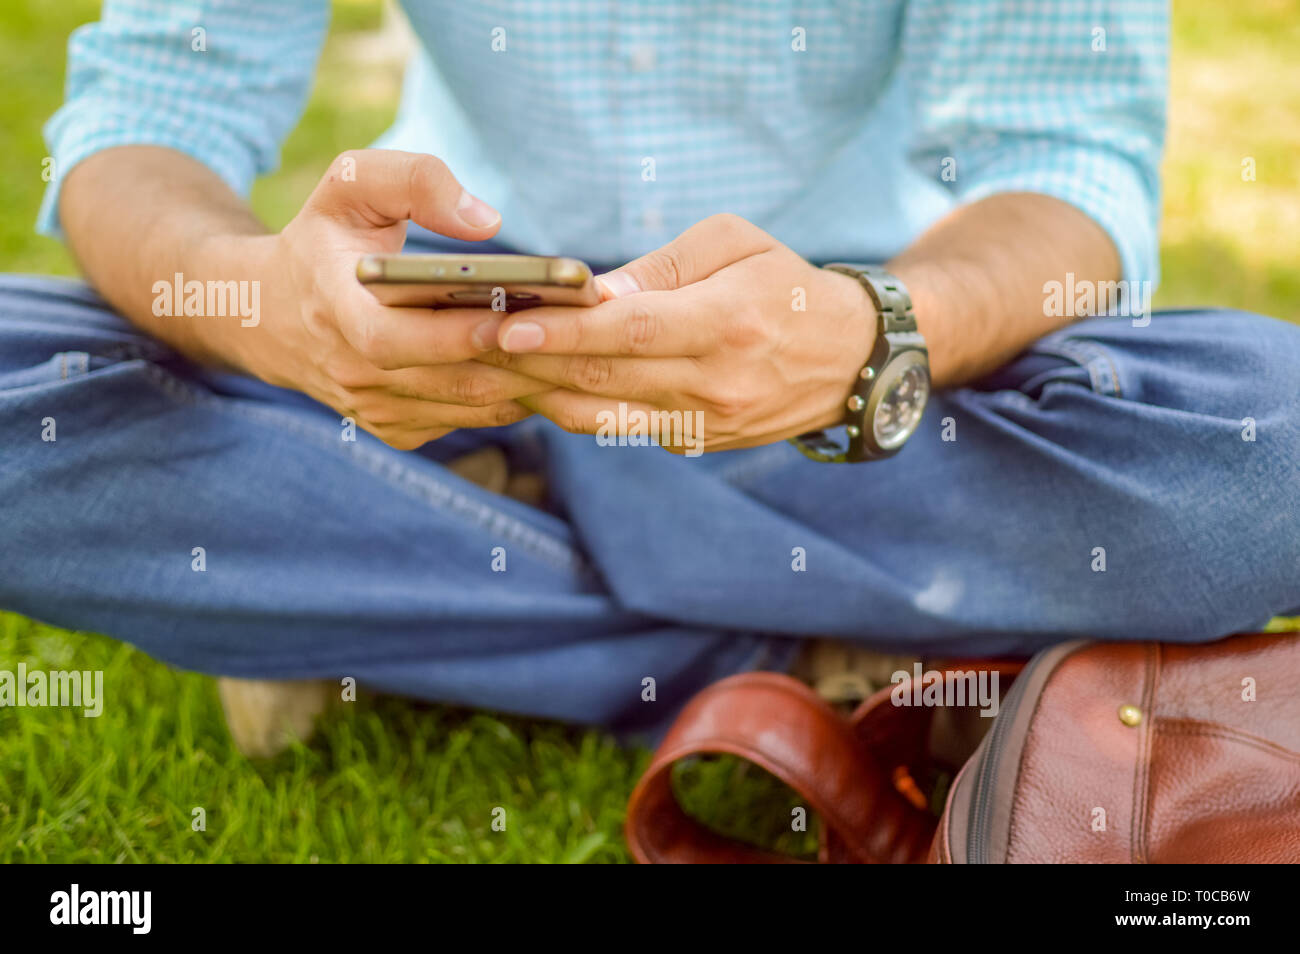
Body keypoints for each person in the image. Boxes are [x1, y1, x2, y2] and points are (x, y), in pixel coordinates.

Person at [2, 1, 1297, 754]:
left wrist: (870, 332)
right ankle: (838, 633)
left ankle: (382, 576)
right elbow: (143, 120)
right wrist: (265, 308)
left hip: (870, 368)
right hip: (453, 354)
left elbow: (1061, 166)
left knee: (1271, 443)